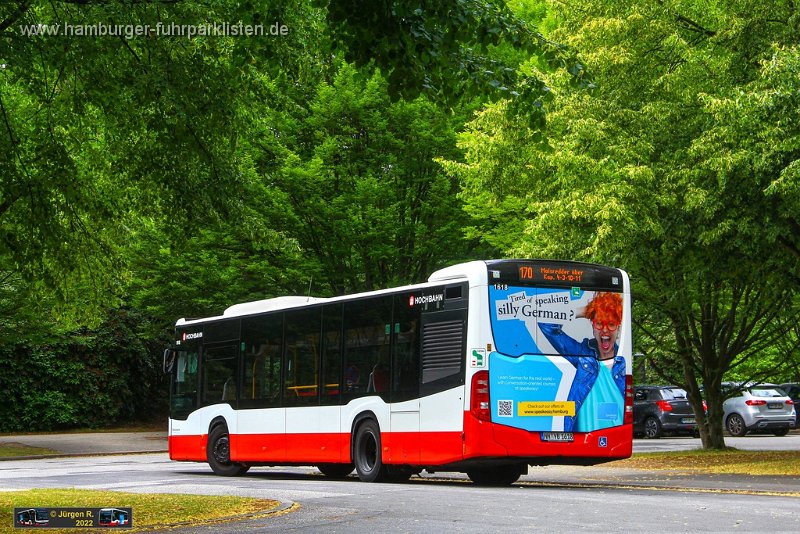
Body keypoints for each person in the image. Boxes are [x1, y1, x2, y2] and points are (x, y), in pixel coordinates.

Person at [538, 292, 625, 432]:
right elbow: (546, 325)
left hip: (614, 435)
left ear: (618, 328)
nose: (604, 330)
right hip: (582, 435)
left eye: (611, 324)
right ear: (593, 327)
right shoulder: (582, 354)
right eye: (599, 323)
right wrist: (583, 311)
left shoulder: (623, 363)